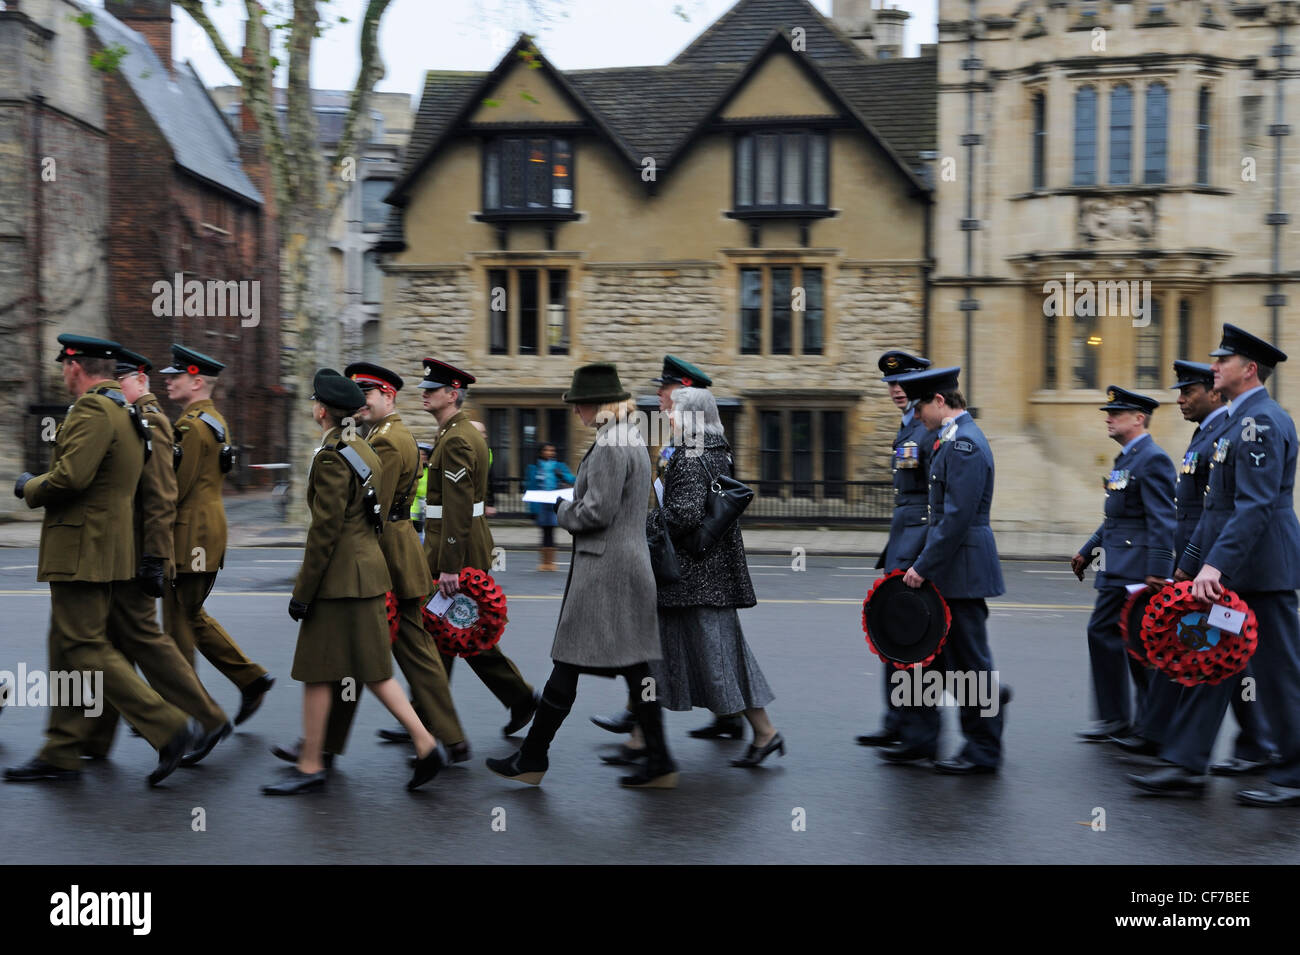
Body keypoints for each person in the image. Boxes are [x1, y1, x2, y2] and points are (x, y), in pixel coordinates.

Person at [5, 334, 199, 786]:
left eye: (64, 367)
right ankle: (62, 747)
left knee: (84, 648)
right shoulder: (125, 410)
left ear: (75, 367)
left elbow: (72, 477)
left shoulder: (93, 409)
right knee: (65, 649)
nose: (63, 375)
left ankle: (168, 726)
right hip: (105, 550)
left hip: (81, 549)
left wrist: (29, 486)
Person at [1129, 324, 1300, 806]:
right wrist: (1188, 566)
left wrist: (1215, 568)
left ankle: (1294, 772)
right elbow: (1216, 507)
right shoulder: (1232, 422)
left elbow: (1255, 506)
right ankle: (1185, 764)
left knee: (1278, 674)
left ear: (1249, 370)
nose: (1213, 367)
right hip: (1233, 572)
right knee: (1211, 662)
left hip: (1263, 571)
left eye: (1222, 361)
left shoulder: (1261, 422)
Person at [487, 363, 677, 788]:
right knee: (631, 668)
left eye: (580, 404)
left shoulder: (612, 443)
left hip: (607, 569)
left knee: (571, 663)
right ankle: (658, 762)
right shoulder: (630, 435)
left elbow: (597, 512)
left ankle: (533, 758)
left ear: (599, 404)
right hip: (622, 565)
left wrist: (561, 510)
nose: (575, 412)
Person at [263, 370, 448, 795]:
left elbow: (323, 533)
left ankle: (311, 766)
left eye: (314, 402)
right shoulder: (363, 449)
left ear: (322, 410)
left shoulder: (331, 456)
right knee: (374, 671)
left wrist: (301, 593)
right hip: (368, 574)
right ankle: (425, 744)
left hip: (338, 582)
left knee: (317, 671)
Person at [1112, 362, 1274, 766]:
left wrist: (1205, 564)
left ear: (1215, 394)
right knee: (1199, 649)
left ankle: (1233, 749)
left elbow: (1229, 509)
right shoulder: (1208, 433)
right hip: (1202, 559)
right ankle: (1165, 735)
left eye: (1189, 391)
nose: (1180, 399)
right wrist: (1186, 563)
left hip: (1223, 562)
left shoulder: (1234, 430)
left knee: (1217, 654)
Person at [79, 349, 232, 766]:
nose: (114, 387)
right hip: (134, 549)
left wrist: (153, 556)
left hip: (149, 549)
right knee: (119, 642)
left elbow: (164, 495)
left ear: (138, 381)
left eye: (121, 379)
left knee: (149, 640)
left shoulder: (151, 421)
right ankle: (96, 738)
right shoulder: (138, 416)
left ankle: (199, 717)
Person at [640, 386, 781, 768]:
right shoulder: (716, 449)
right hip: (708, 576)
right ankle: (641, 738)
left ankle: (764, 732)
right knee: (683, 658)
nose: (668, 417)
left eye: (674, 412)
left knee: (711, 660)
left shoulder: (689, 454)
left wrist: (643, 519)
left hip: (694, 577)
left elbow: (684, 514)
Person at [884, 366, 1006, 774]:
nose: (916, 416)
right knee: (934, 661)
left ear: (940, 401)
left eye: (921, 407)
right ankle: (922, 739)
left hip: (962, 570)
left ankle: (984, 750)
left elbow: (954, 517)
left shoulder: (964, 444)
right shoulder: (951, 439)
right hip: (952, 569)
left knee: (972, 666)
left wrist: (923, 565)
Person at [590, 354, 713, 736]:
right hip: (672, 552)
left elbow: (691, 506)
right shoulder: (676, 434)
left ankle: (644, 731)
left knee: (699, 643)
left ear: (685, 392)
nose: (659, 395)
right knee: (686, 642)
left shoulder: (696, 439)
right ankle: (643, 726)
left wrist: (645, 526)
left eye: (666, 388)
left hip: (688, 556)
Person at [419, 358, 538, 736]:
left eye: (431, 389)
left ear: (452, 394)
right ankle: (426, 716)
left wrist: (449, 566)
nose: (423, 393)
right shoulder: (458, 433)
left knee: (462, 632)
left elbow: (456, 508)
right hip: (462, 545)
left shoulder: (455, 438)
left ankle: (517, 697)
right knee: (447, 633)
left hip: (457, 550)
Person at [161, 344, 274, 724]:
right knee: (189, 618)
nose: (168, 383)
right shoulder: (213, 420)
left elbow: (174, 488)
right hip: (203, 534)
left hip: (191, 537)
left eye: (174, 377)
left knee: (179, 626)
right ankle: (249, 681)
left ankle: (193, 717)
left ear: (195, 382)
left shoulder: (192, 427)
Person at [1070, 387, 1176, 744]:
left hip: (1136, 569)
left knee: (1135, 644)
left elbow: (1163, 519)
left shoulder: (1152, 459)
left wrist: (1159, 571)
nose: (1108, 418)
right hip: (1117, 565)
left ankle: (1142, 725)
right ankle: (1118, 718)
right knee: (1116, 638)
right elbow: (1115, 517)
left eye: (1116, 412)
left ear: (1138, 418)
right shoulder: (1127, 459)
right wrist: (1088, 549)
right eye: (1109, 412)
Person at [858, 349, 935, 749]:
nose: (896, 390)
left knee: (915, 639)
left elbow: (933, 500)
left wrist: (923, 556)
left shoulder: (928, 430)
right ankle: (896, 720)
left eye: (903, 383)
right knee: (894, 635)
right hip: (902, 542)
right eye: (891, 384)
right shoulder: (909, 428)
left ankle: (918, 730)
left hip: (917, 544)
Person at [526, 443, 575, 572]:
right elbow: (530, 487)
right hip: (541, 505)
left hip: (554, 504)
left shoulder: (559, 466)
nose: (550, 452)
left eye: (552, 450)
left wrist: (562, 476)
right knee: (544, 533)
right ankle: (544, 562)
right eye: (547, 450)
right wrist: (531, 509)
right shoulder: (533, 468)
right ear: (541, 452)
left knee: (551, 532)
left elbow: (572, 480)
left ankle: (551, 562)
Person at [411, 442, 432, 537]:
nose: (422, 456)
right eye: (420, 454)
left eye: (424, 454)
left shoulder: (429, 471)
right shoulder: (413, 471)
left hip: (426, 514)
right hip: (413, 514)